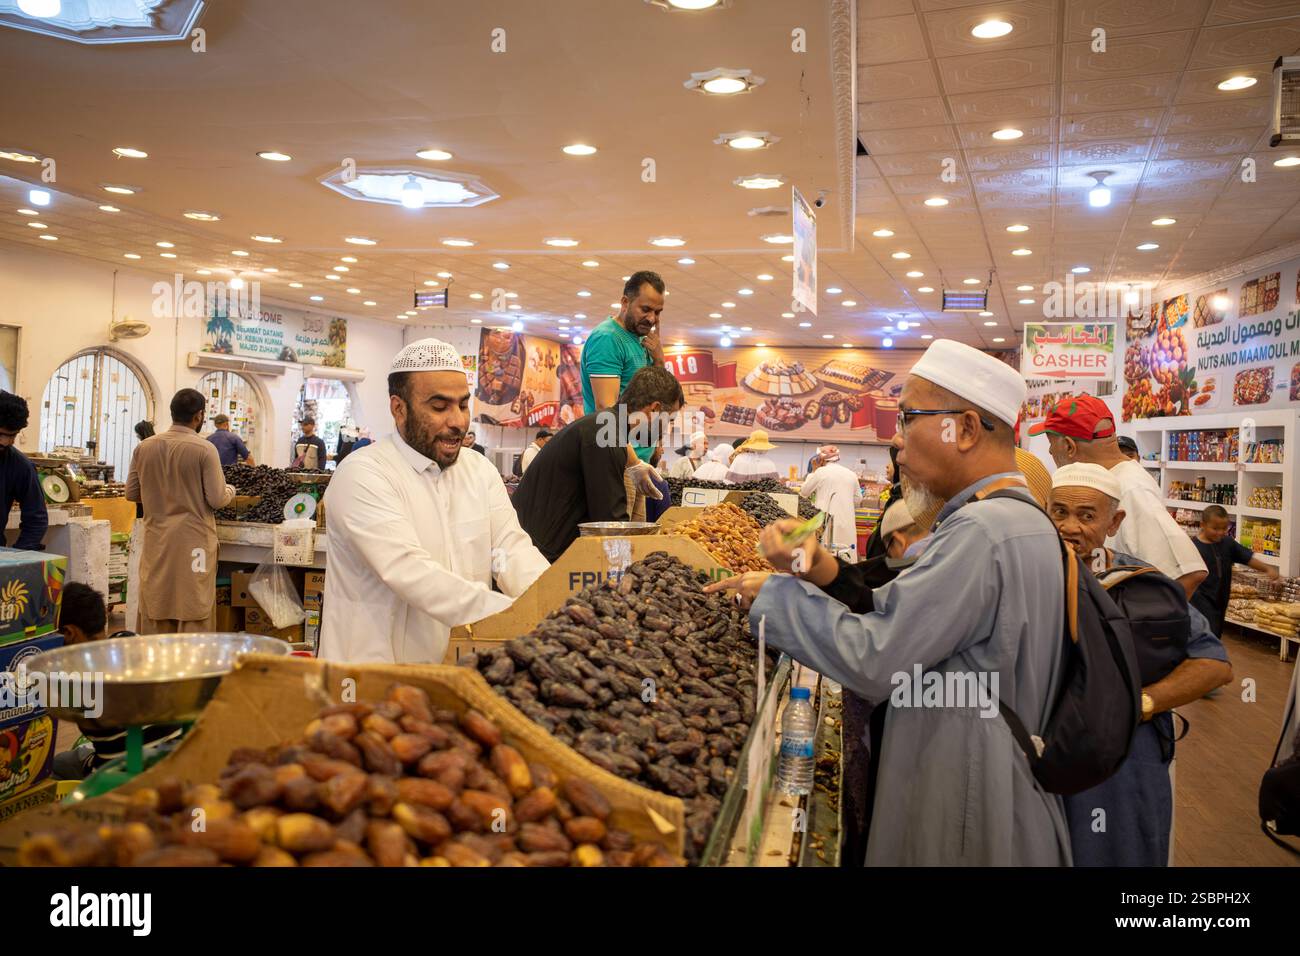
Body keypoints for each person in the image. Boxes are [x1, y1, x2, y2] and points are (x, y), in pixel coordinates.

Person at [708, 339, 1071, 866]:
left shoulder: (983, 531)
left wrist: (778, 598)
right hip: (986, 773)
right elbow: (902, 609)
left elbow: (877, 658)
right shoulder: (1021, 522)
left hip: (965, 794)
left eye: (908, 419)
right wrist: (811, 569)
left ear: (965, 429)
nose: (896, 441)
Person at [320, 339, 550, 665]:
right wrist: (517, 617)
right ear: (398, 408)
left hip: (458, 670)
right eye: (439, 407)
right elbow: (413, 574)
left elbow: (509, 551)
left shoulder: (479, 470)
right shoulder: (362, 473)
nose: (457, 421)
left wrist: (557, 605)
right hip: (370, 675)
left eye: (463, 405)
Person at [1047, 463, 1232, 866]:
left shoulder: (1144, 586)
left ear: (1114, 522)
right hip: (1046, 755)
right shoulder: (1030, 574)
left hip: (1125, 762)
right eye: (1058, 512)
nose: (1069, 527)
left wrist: (1141, 703)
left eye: (1086, 515)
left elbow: (1214, 663)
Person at [1031, 395, 1207, 598]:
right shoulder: (1112, 480)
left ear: (1069, 447)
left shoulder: (1130, 488)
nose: (1050, 450)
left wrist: (1133, 623)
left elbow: (1189, 572)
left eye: (1051, 443)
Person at [513, 366, 684, 562]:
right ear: (654, 410)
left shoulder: (607, 427)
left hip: (538, 548)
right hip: (536, 558)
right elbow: (611, 525)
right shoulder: (606, 434)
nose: (666, 430)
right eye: (669, 420)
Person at [126, 388, 236, 633]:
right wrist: (231, 490)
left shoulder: (144, 447)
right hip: (194, 542)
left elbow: (132, 494)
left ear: (172, 413)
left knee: (157, 601)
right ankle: (191, 668)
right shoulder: (204, 449)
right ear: (199, 416)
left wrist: (160, 493)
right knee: (193, 604)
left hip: (157, 540)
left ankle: (155, 666)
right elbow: (217, 499)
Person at [579, 271, 669, 493]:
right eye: (645, 309)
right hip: (617, 462)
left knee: (639, 529)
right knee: (619, 529)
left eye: (657, 312)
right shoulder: (608, 339)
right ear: (625, 302)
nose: (652, 318)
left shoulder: (642, 340)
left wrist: (659, 360)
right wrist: (634, 462)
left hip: (638, 463)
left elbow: (655, 397)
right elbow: (605, 409)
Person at [1191, 504, 1279, 636]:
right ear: (1202, 525)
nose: (1220, 532)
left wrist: (1267, 569)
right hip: (1199, 601)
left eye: (1223, 528)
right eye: (1215, 528)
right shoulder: (1193, 547)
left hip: (1221, 600)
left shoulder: (1227, 543)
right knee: (1206, 637)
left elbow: (1247, 558)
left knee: (1215, 634)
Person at [0, 391, 48, 550]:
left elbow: (36, 519)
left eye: (13, 435)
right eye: (1, 435)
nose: (7, 442)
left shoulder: (20, 466)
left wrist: (18, 557)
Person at [798, 445, 862, 551]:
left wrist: (813, 472)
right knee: (846, 554)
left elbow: (804, 492)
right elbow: (858, 499)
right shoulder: (851, 474)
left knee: (826, 556)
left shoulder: (820, 472)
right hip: (846, 522)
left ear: (821, 459)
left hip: (825, 522)